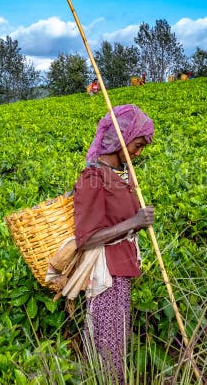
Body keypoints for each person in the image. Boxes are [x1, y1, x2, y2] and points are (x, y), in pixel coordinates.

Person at [72, 104, 155, 384]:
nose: (138, 153)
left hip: (122, 269)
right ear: (121, 138)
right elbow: (85, 238)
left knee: (116, 344)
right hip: (105, 274)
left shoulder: (120, 175)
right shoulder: (92, 178)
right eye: (137, 145)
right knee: (106, 348)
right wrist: (134, 222)